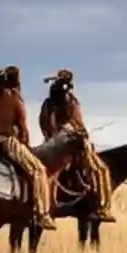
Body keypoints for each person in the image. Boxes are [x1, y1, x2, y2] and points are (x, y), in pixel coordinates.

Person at [0, 66, 56, 230]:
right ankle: (42, 214)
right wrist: (25, 144)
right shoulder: (15, 99)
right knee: (38, 170)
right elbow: (22, 126)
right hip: (6, 142)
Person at [40, 69, 116, 223]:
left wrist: (50, 137)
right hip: (73, 142)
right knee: (101, 170)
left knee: (46, 173)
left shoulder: (47, 103)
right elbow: (79, 124)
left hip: (51, 143)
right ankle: (103, 207)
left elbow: (44, 123)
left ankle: (46, 206)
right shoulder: (71, 101)